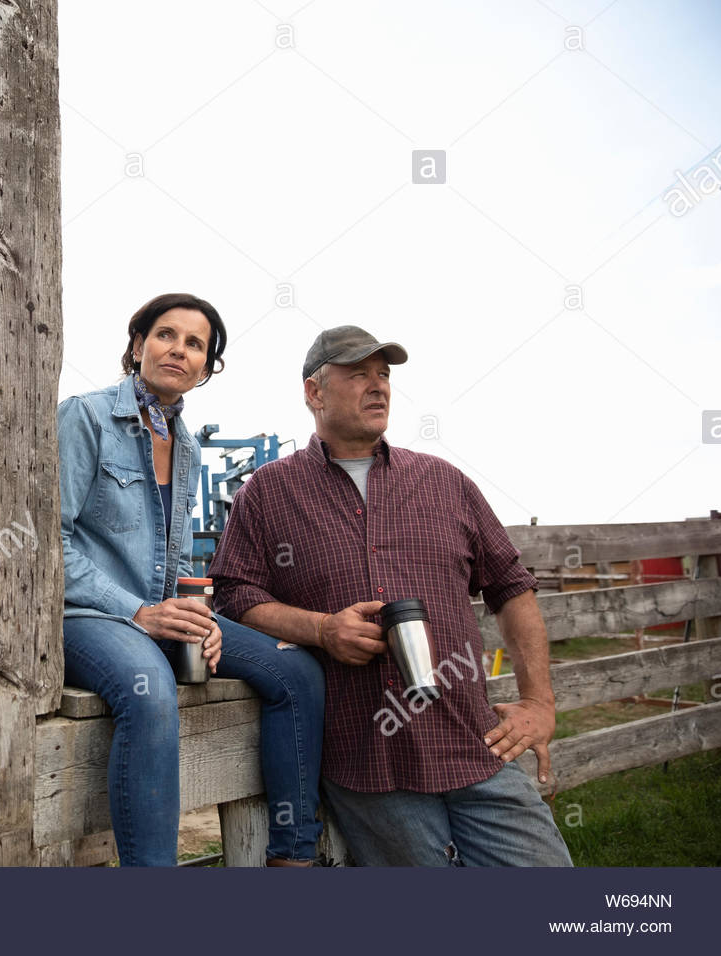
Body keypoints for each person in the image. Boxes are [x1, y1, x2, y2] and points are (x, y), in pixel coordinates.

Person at [210, 325, 572, 867]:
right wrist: (322, 629)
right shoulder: (267, 493)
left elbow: (512, 587)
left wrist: (540, 703)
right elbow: (235, 595)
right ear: (314, 392)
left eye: (384, 376)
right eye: (358, 375)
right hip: (368, 762)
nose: (378, 387)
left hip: (474, 743)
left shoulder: (443, 482)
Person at [58, 293, 326, 867]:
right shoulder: (85, 417)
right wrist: (138, 612)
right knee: (150, 688)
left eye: (194, 344)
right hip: (86, 615)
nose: (178, 350)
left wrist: (197, 618)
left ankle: (293, 858)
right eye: (165, 335)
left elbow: (173, 560)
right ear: (137, 345)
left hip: (156, 616)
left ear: (206, 366)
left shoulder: (187, 446)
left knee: (297, 671)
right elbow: (46, 549)